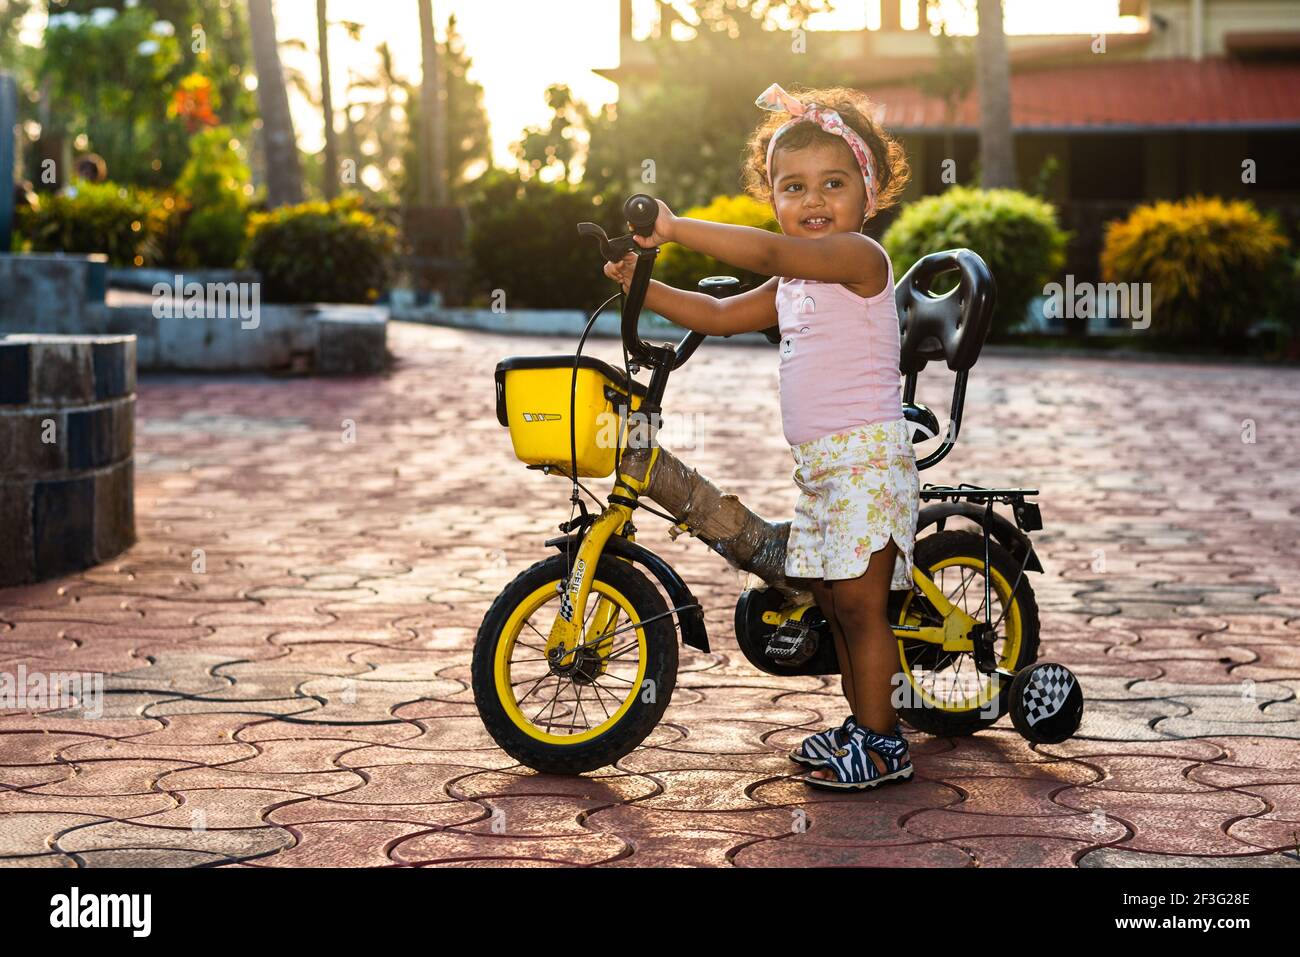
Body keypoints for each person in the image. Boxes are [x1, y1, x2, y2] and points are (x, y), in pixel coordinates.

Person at [603, 83, 919, 791]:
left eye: (833, 184)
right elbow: (715, 313)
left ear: (868, 195)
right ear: (772, 197)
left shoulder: (858, 261)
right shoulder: (796, 284)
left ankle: (884, 741)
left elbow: (772, 254)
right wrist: (641, 286)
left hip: (867, 464)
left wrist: (677, 228)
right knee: (836, 604)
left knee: (862, 608)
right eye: (793, 186)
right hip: (823, 471)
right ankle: (861, 724)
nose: (814, 201)